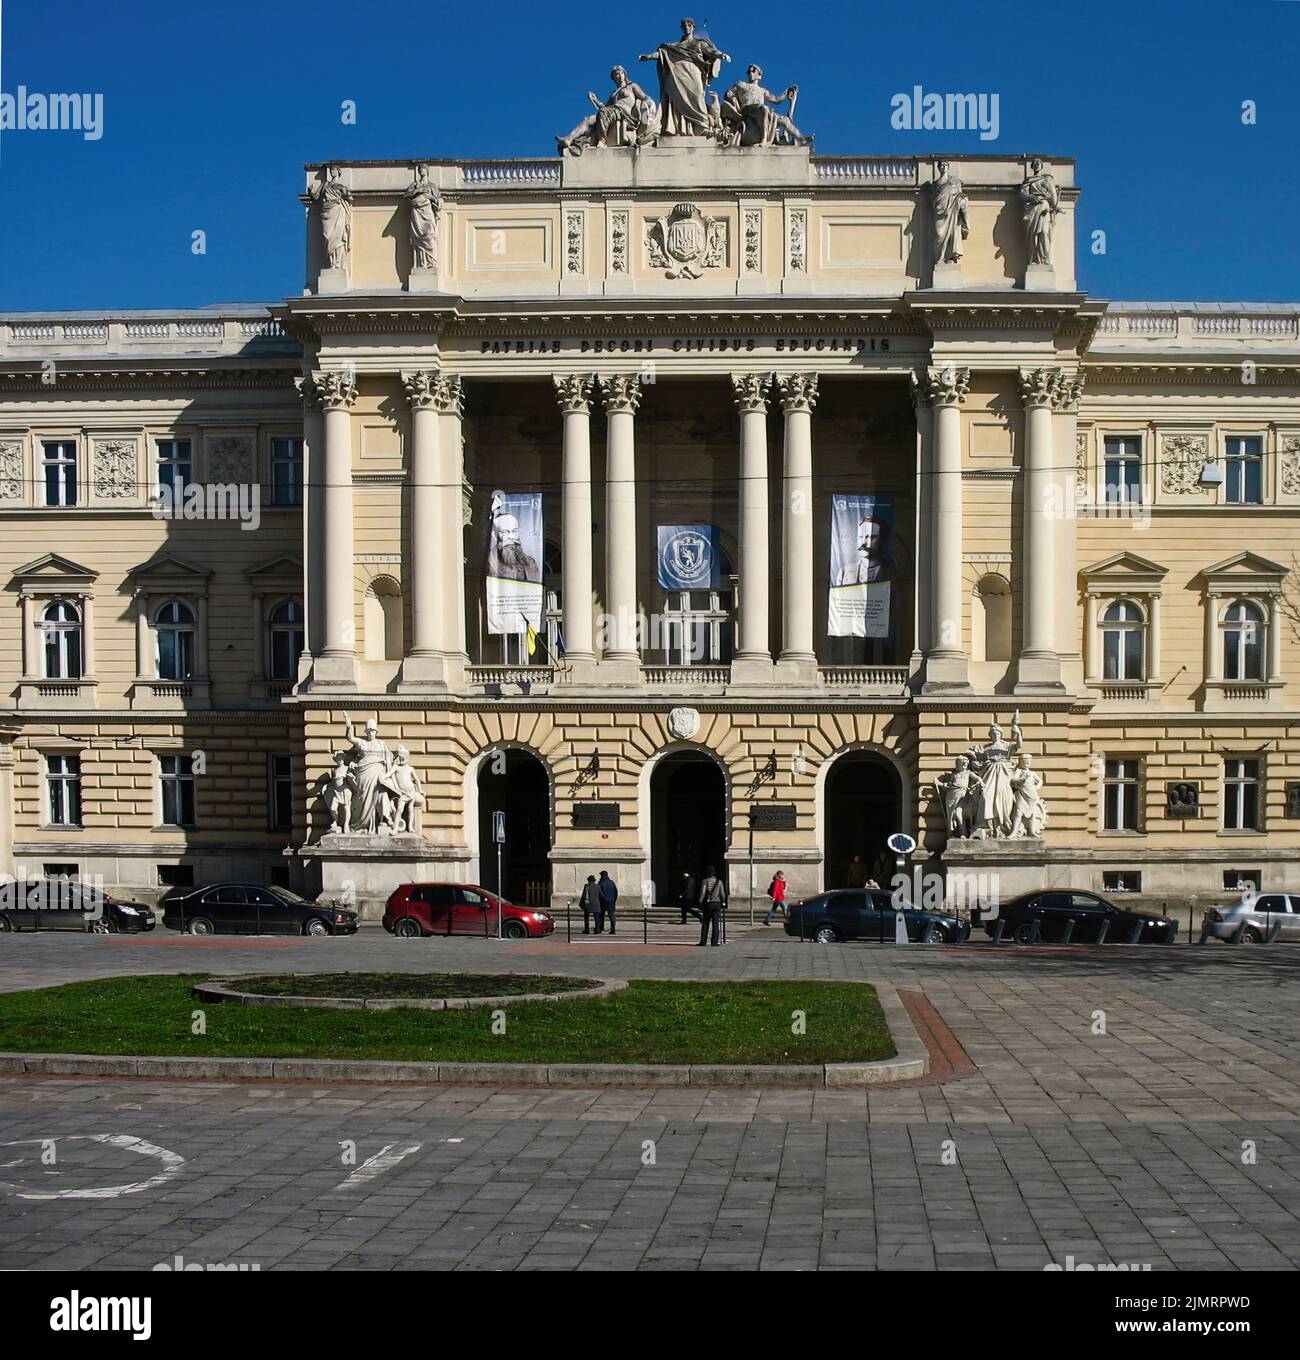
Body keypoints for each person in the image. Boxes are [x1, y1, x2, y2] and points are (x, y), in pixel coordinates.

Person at [696, 864, 727, 946]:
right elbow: (722, 894)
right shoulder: (719, 882)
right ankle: (714, 942)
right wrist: (723, 902)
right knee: (715, 923)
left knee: (705, 923)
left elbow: (702, 892)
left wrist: (699, 902)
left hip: (708, 904)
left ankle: (703, 941)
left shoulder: (705, 881)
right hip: (717, 904)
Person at [596, 870, 618, 935]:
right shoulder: (612, 883)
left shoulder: (601, 883)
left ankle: (600, 928)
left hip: (603, 901)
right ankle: (613, 929)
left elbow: (599, 893)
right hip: (611, 901)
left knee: (601, 916)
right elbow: (616, 892)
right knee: (612, 915)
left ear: (602, 875)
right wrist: (614, 900)